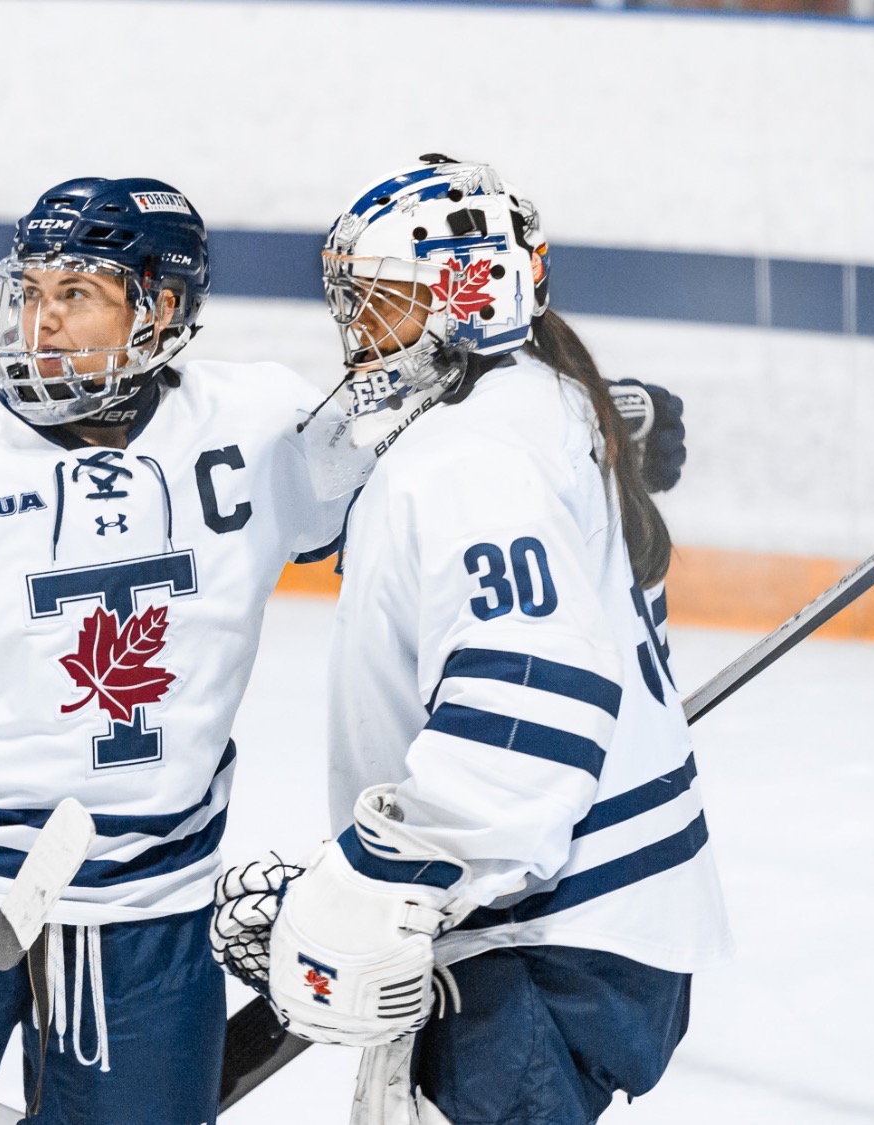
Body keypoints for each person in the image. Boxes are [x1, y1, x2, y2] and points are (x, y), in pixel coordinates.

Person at [0, 176, 356, 1124]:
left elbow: (415, 515)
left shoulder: (262, 426)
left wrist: (576, 436)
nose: (40, 322)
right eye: (31, 291)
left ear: (160, 307)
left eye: (76, 294)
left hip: (149, 906)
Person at [212, 156, 730, 1124]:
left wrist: (381, 879)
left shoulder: (468, 459)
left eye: (381, 299)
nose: (356, 328)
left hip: (535, 936)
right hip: (602, 915)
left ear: (468, 295)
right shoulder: (544, 404)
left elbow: (531, 703)